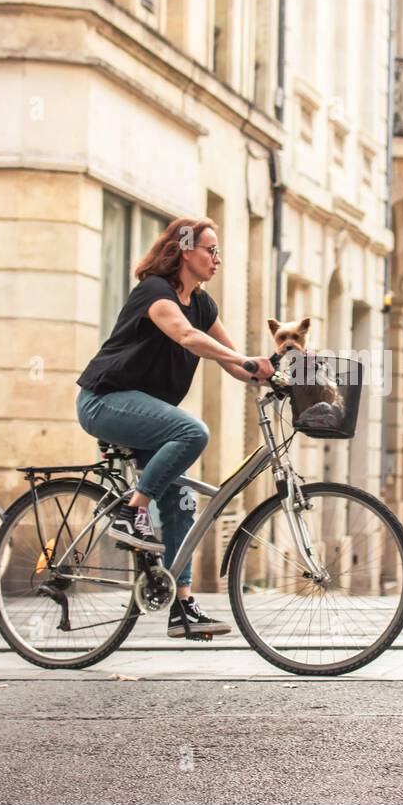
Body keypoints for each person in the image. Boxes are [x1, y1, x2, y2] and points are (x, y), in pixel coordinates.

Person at [76, 217, 274, 639]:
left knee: (182, 497)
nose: (217, 259)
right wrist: (245, 361)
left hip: (145, 416)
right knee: (193, 432)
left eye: (218, 251)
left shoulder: (203, 304)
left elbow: (233, 361)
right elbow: (185, 336)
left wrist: (274, 374)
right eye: (210, 250)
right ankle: (132, 511)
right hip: (104, 402)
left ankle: (182, 605)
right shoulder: (155, 292)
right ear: (185, 251)